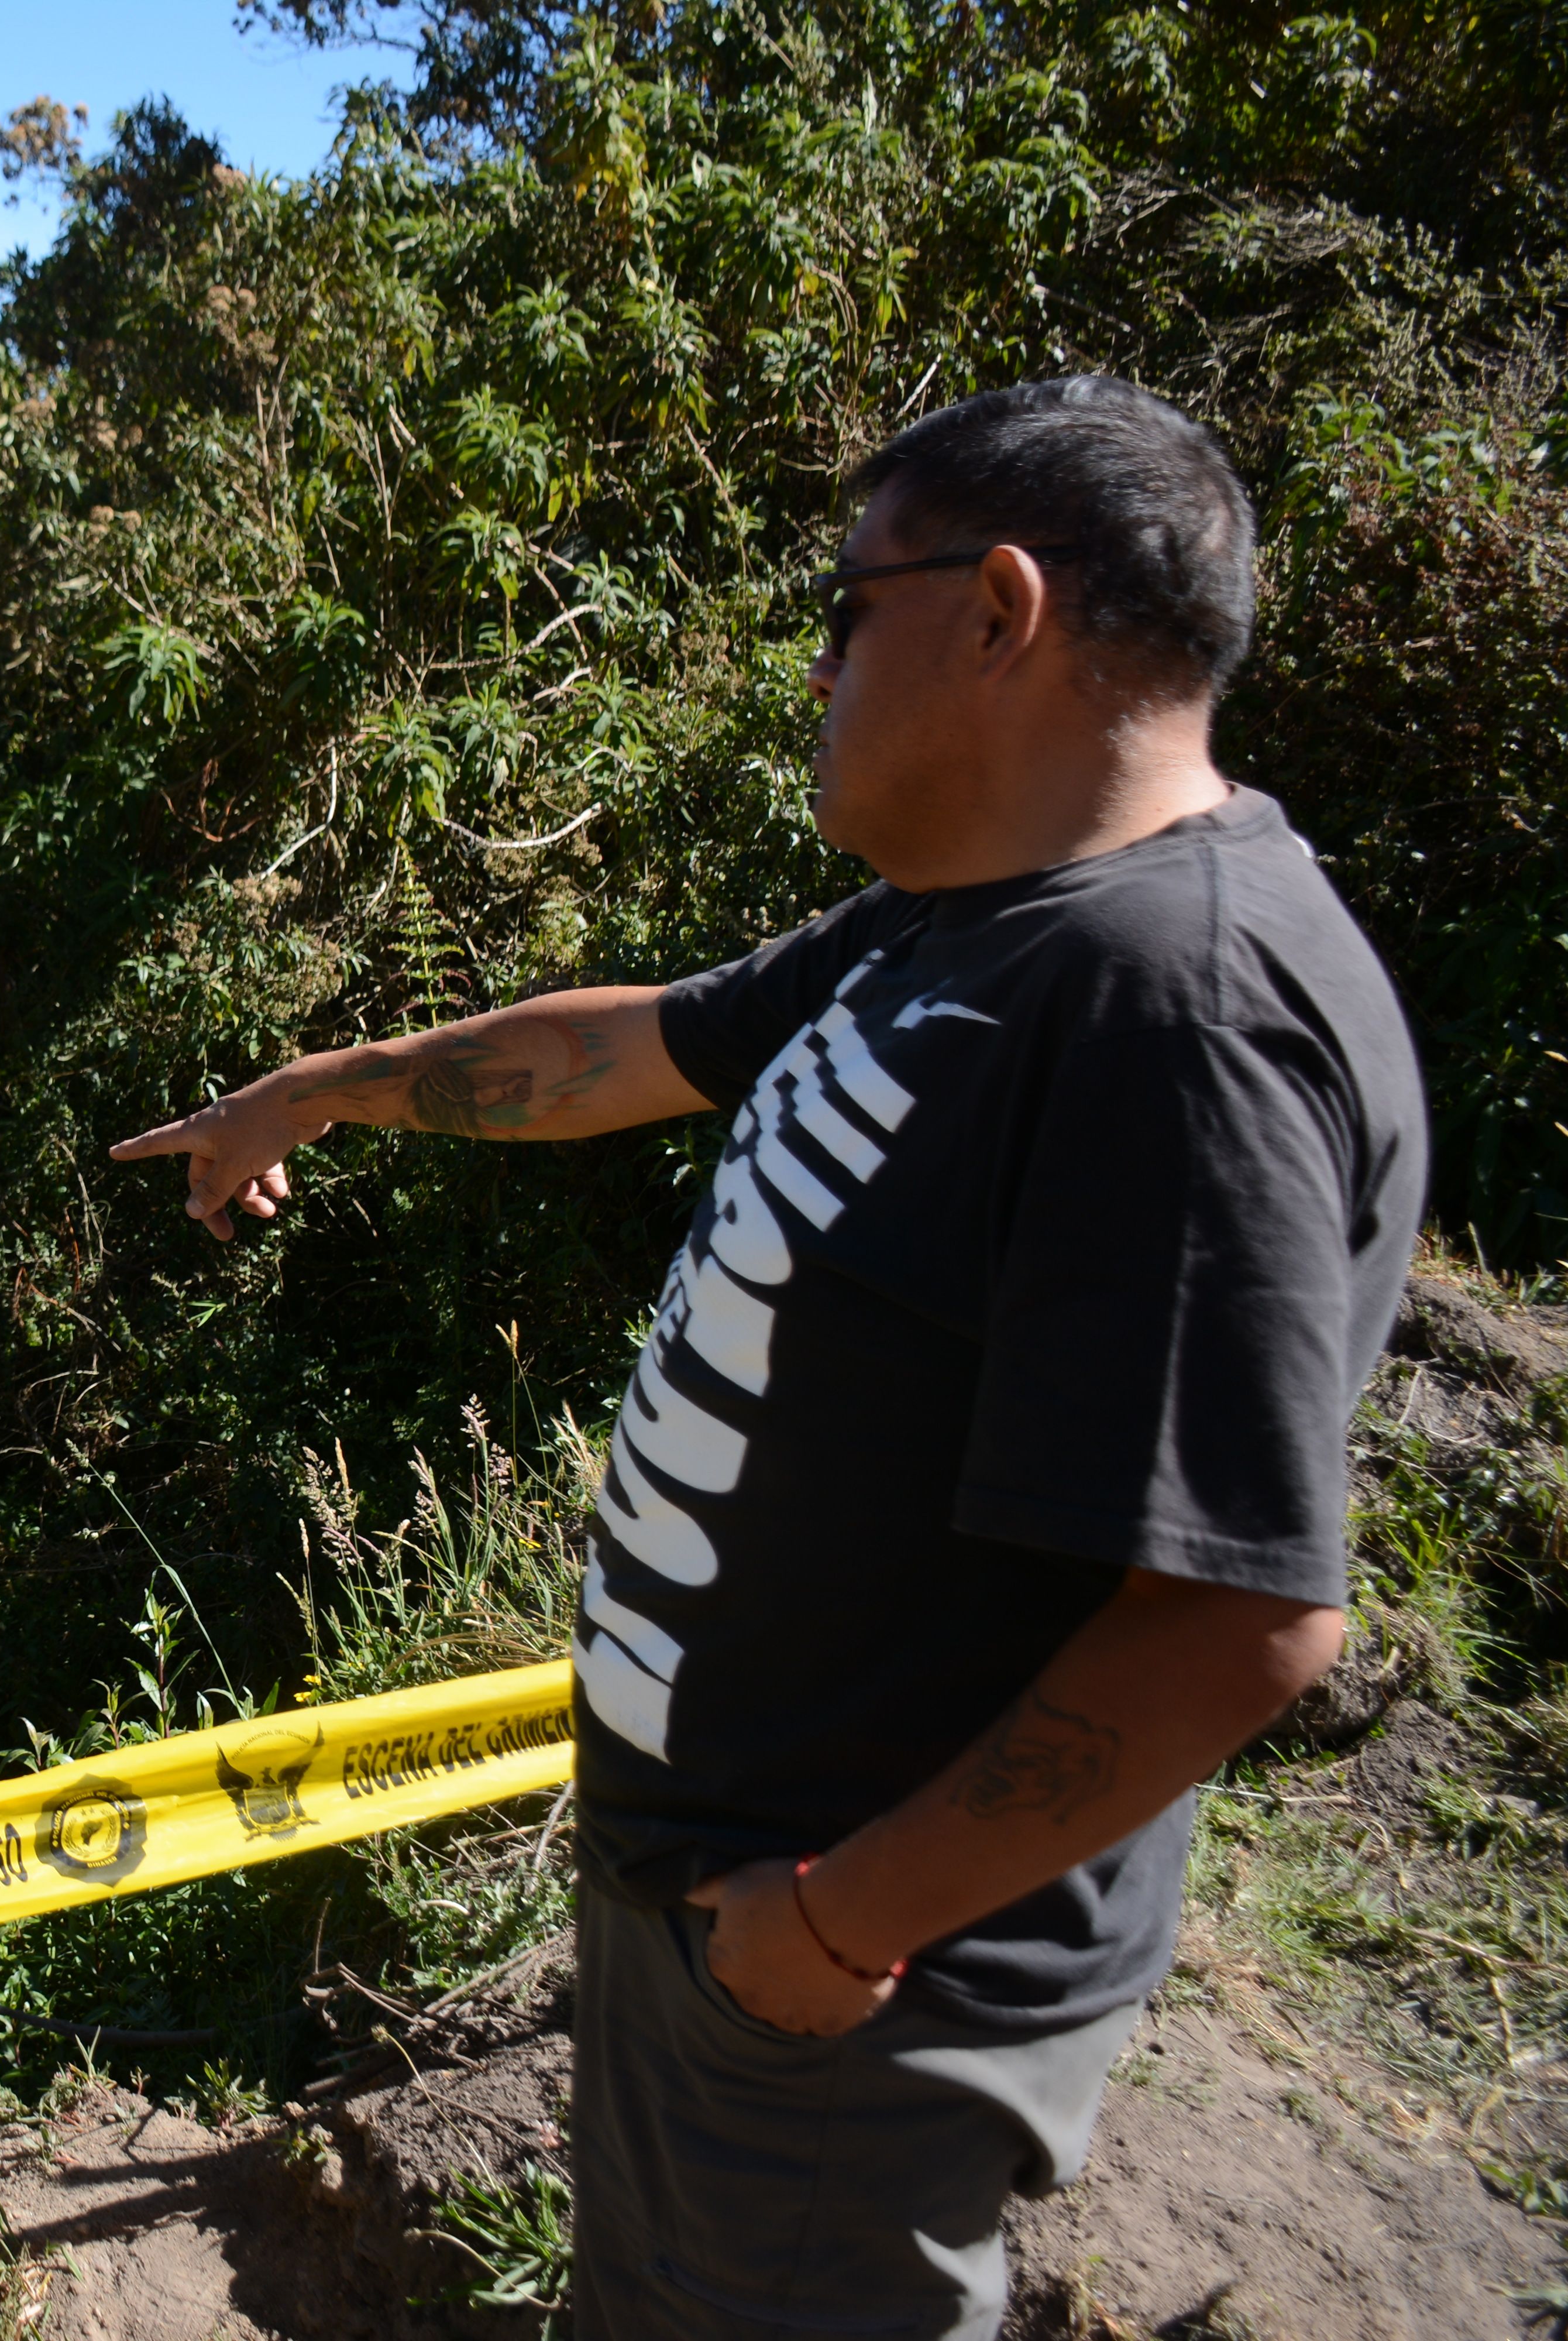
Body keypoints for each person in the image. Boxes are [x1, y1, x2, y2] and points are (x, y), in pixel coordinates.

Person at [108, 375, 1426, 2339]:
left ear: (1000, 610)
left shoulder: (1180, 1007)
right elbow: (628, 1050)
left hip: (855, 1979)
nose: (814, 670)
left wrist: (838, 1923)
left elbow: (1239, 1618)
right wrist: (326, 1090)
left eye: (846, 609)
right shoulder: (968, 924)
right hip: (733, 1910)